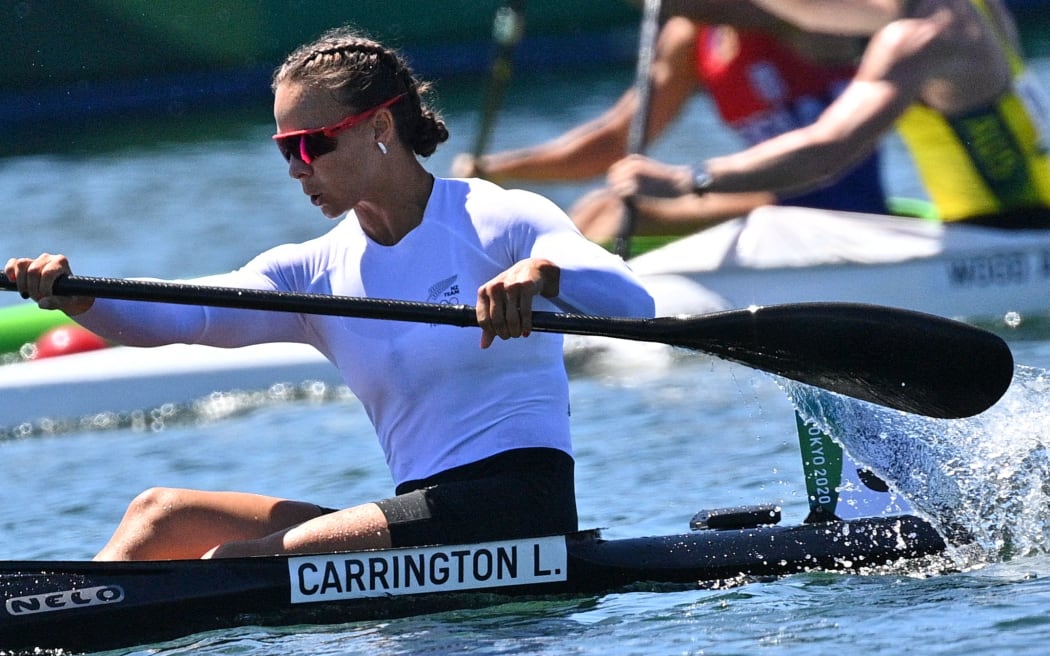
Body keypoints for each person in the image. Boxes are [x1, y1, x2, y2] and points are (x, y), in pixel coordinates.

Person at [4, 27, 655, 561]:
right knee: (160, 517)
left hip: (519, 513)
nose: (295, 168)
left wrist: (543, 275)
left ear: (379, 127)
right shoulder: (313, 270)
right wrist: (76, 297)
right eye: (286, 148)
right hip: (422, 516)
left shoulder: (494, 220)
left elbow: (632, 302)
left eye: (312, 144)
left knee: (240, 561)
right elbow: (187, 312)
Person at [452, 2, 887, 243]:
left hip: (844, 199)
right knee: (597, 207)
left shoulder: (798, 18)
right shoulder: (690, 38)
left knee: (619, 214)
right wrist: (497, 168)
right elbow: (616, 141)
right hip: (769, 197)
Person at [609, 0, 1050, 228]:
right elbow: (794, 15)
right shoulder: (965, 7)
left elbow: (828, 151)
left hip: (1008, 235)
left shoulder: (920, 38)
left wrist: (690, 179)